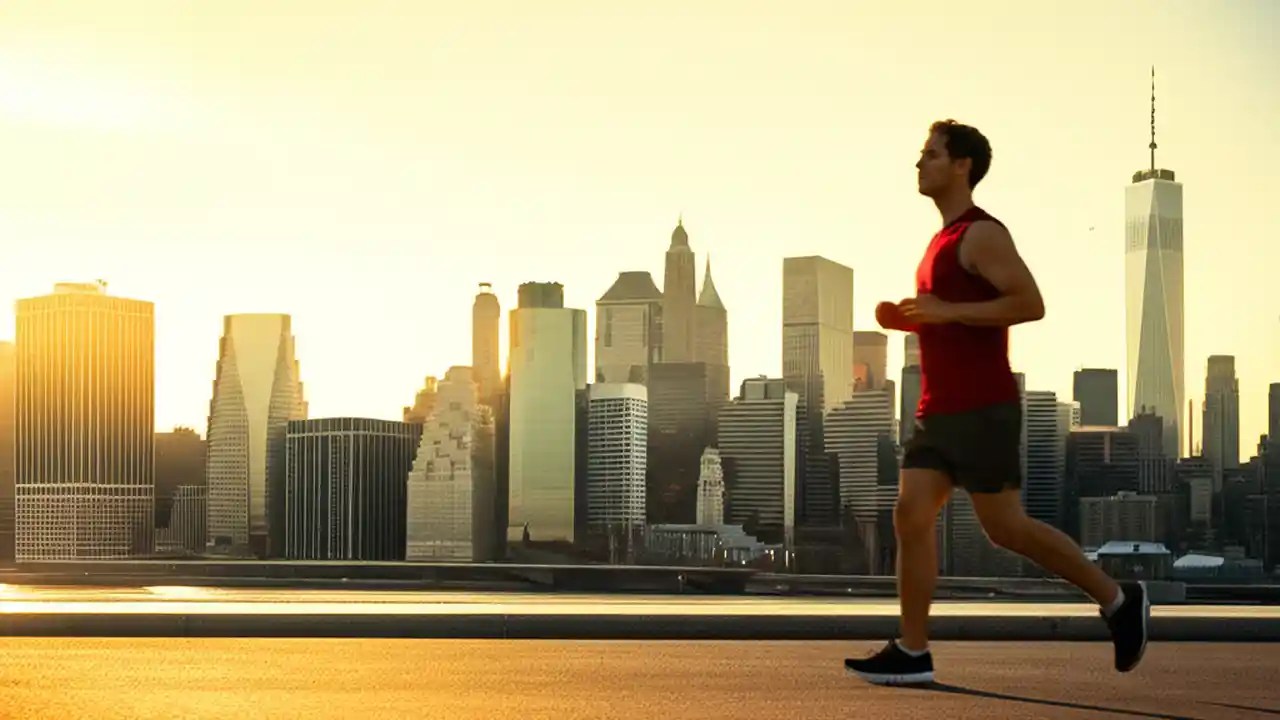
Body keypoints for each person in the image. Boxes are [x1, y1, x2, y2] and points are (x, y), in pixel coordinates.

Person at [844, 119, 1149, 686]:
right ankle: (913, 651)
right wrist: (908, 315)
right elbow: (949, 312)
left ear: (962, 166)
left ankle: (1117, 598)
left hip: (980, 407)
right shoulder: (939, 241)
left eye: (930, 154)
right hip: (937, 410)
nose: (920, 163)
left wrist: (946, 312)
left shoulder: (982, 234)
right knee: (910, 515)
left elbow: (1029, 303)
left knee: (1005, 529)